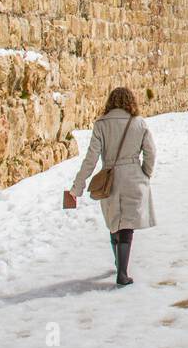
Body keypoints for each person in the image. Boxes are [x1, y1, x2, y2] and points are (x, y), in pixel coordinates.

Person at [67, 87, 157, 287]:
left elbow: (90, 159)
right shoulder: (139, 123)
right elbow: (151, 153)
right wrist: (145, 173)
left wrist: (77, 187)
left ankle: (119, 262)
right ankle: (123, 272)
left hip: (110, 178)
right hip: (134, 177)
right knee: (127, 225)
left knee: (114, 221)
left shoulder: (101, 125)